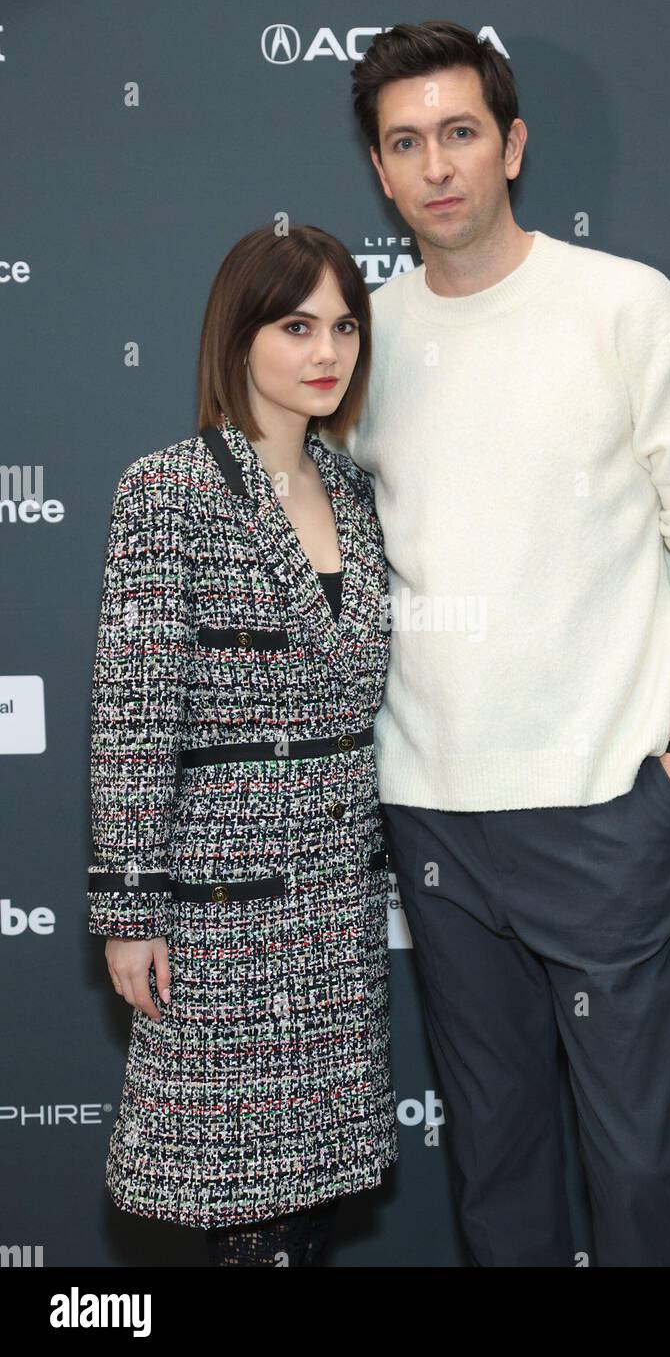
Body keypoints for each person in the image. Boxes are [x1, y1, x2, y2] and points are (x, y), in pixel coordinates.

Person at [334, 20, 670, 1266]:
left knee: (637, 1178)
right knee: (496, 1169)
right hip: (430, 814)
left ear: (511, 144)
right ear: (378, 168)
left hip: (602, 807)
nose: (436, 167)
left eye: (459, 133)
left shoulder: (627, 309)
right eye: (405, 142)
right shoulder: (356, 338)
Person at [86, 224, 397, 1266]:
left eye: (345, 325)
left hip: (336, 904)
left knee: (307, 1206)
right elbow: (134, 715)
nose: (328, 350)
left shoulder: (356, 494)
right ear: (239, 333)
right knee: (237, 1205)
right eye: (296, 323)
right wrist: (130, 909)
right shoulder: (167, 489)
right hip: (222, 912)